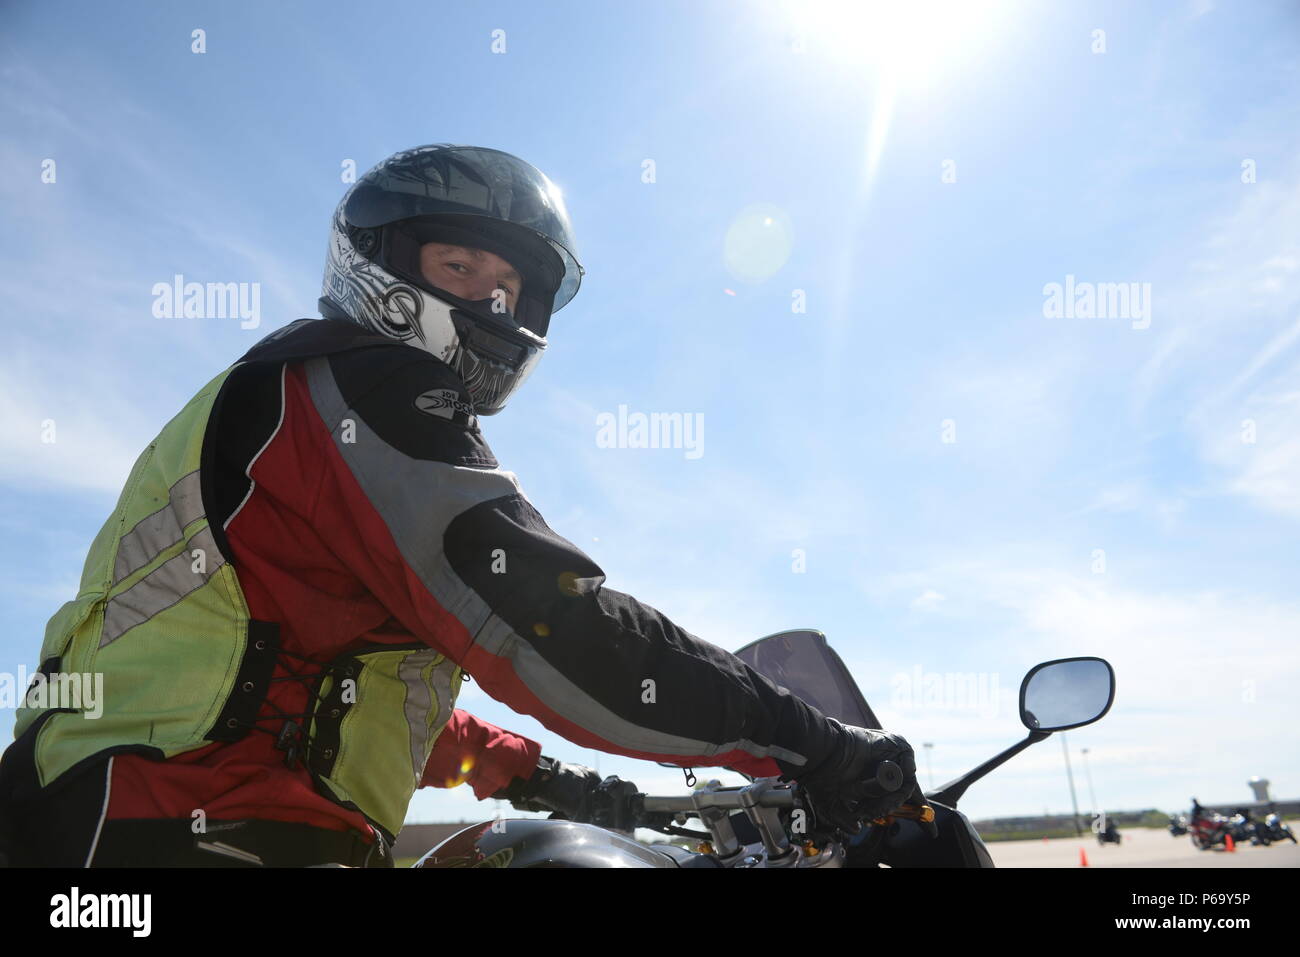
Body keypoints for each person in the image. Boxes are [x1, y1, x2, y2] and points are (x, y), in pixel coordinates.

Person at [0, 144, 921, 867]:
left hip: (137, 809)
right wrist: (810, 741)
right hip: (179, 823)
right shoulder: (359, 384)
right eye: (460, 265)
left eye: (513, 289)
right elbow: (551, 623)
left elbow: (360, 697)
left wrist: (567, 786)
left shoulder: (295, 396)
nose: (493, 299)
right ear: (387, 262)